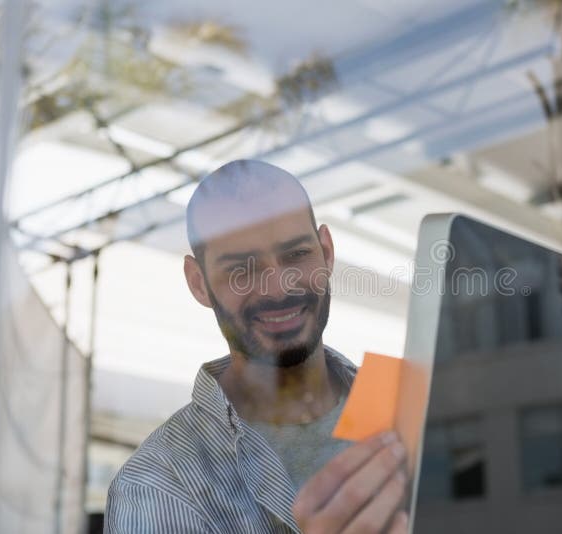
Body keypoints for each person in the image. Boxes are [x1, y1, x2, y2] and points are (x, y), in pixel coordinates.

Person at [104, 160, 409, 533]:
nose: (278, 288)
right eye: (241, 270)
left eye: (296, 255)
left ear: (326, 252)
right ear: (198, 283)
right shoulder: (157, 485)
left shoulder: (409, 407)